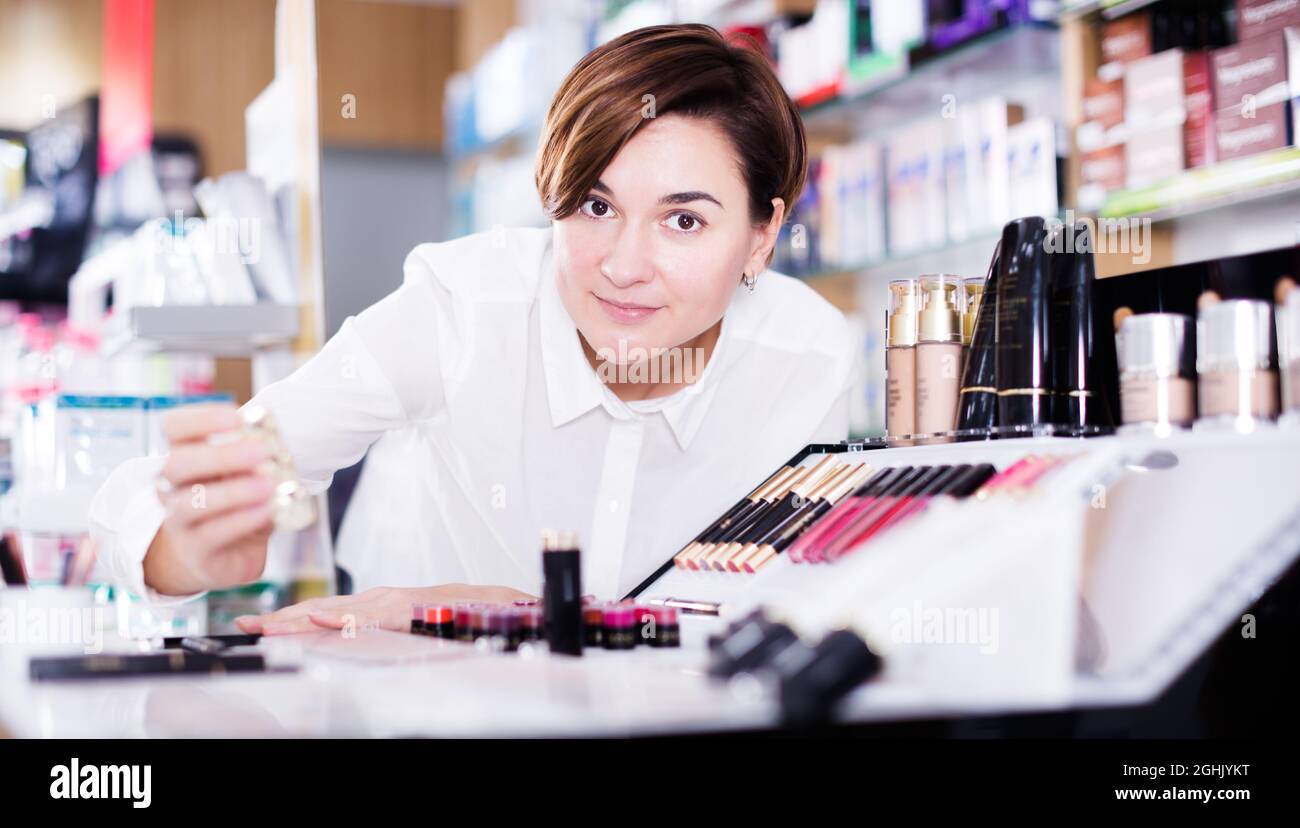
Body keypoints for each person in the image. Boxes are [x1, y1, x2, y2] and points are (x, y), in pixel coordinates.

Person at [89, 23, 855, 636]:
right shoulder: (463, 308)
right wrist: (183, 547)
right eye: (596, 206)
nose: (624, 264)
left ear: (762, 236)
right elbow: (143, 493)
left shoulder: (806, 362)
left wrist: (498, 611)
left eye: (683, 220)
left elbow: (791, 618)